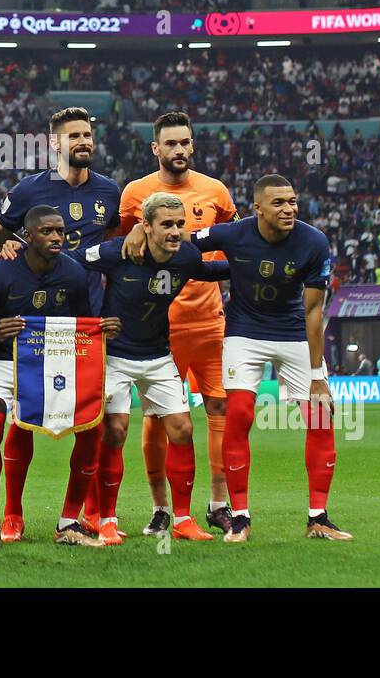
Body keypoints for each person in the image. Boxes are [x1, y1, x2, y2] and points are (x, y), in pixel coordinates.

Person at [138, 173, 351, 543]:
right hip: (244, 335)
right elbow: (182, 238)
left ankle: (318, 516)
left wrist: (318, 375)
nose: (289, 209)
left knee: (320, 418)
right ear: (258, 208)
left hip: (294, 334)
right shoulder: (234, 233)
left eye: (292, 201)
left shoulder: (313, 242)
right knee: (237, 416)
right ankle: (240, 517)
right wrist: (139, 233)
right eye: (279, 203)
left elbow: (314, 311)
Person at [0, 106, 123, 538]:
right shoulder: (28, 191)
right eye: (74, 135)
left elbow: (114, 243)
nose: (83, 142)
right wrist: (1, 250)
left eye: (88, 135)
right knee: (22, 420)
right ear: (54, 143)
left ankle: (88, 515)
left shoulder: (109, 192)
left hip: (82, 326)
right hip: (28, 336)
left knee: (93, 423)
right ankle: (12, 513)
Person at [0, 204, 121, 549]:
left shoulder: (74, 272)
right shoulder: (0, 273)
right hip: (0, 360)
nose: (56, 238)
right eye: (48, 232)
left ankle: (68, 520)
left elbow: (83, 325)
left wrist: (102, 328)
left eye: (61, 232)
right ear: (29, 235)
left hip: (52, 361)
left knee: (91, 426)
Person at [118, 111, 240, 536]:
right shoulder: (135, 193)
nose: (180, 150)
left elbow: (235, 245)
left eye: (185, 142)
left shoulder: (216, 192)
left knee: (220, 408)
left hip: (209, 321)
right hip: (157, 328)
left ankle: (219, 504)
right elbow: (120, 250)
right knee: (158, 418)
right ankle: (160, 508)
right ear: (156, 149)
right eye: (171, 144)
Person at [90, 193, 230, 544]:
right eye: (166, 224)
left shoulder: (186, 256)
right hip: (115, 357)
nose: (175, 231)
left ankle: (182, 519)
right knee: (115, 431)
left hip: (157, 354)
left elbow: (212, 270)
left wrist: (258, 259)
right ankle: (106, 519)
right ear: (146, 226)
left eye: (180, 224)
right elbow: (72, 263)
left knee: (182, 429)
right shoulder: (117, 252)